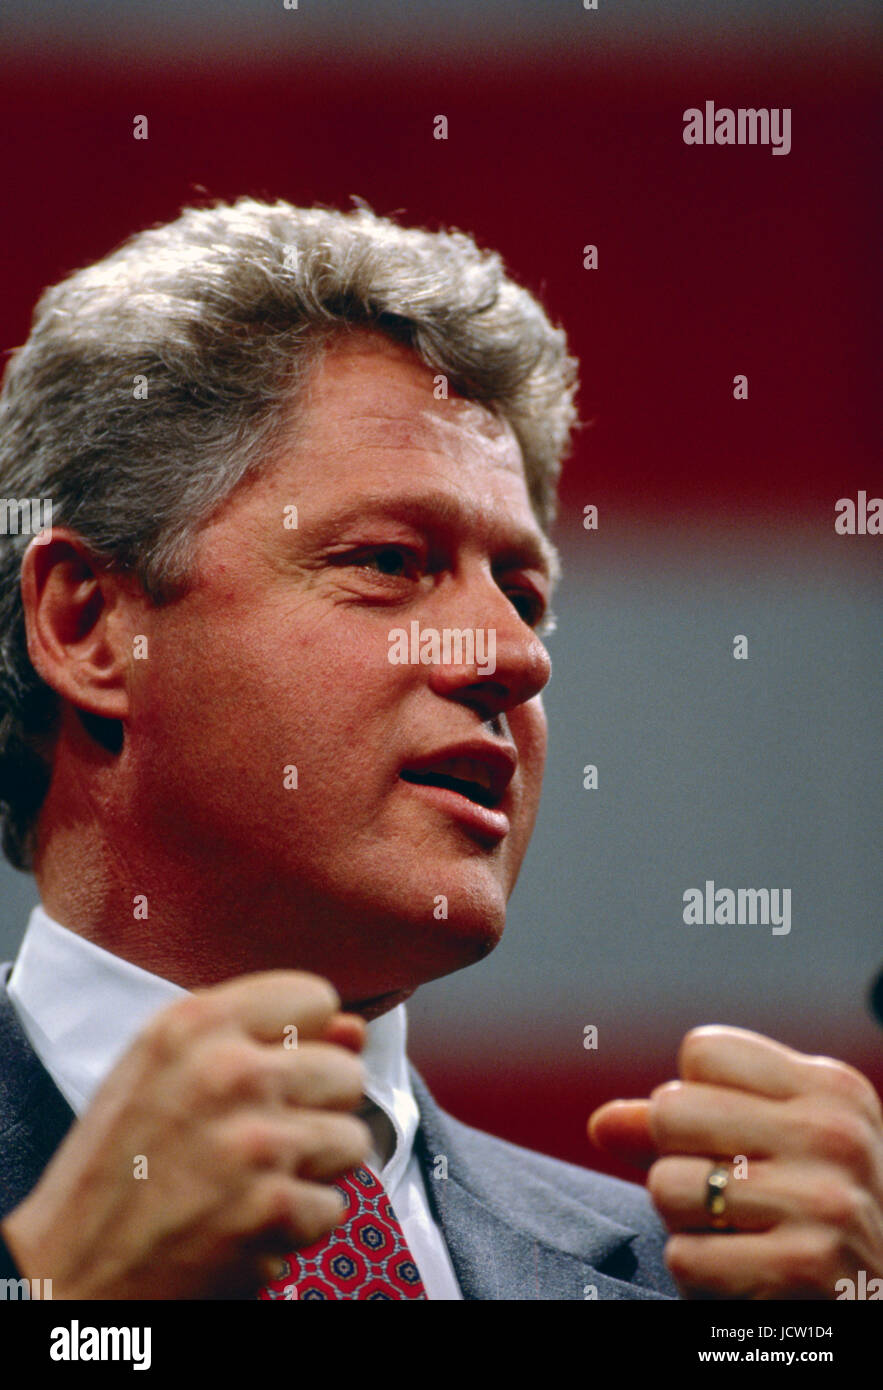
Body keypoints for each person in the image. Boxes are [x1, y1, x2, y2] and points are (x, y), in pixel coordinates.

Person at [0, 198, 879, 1301]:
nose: (514, 656)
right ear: (89, 627)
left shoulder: (704, 1288)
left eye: (523, 592)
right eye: (388, 559)